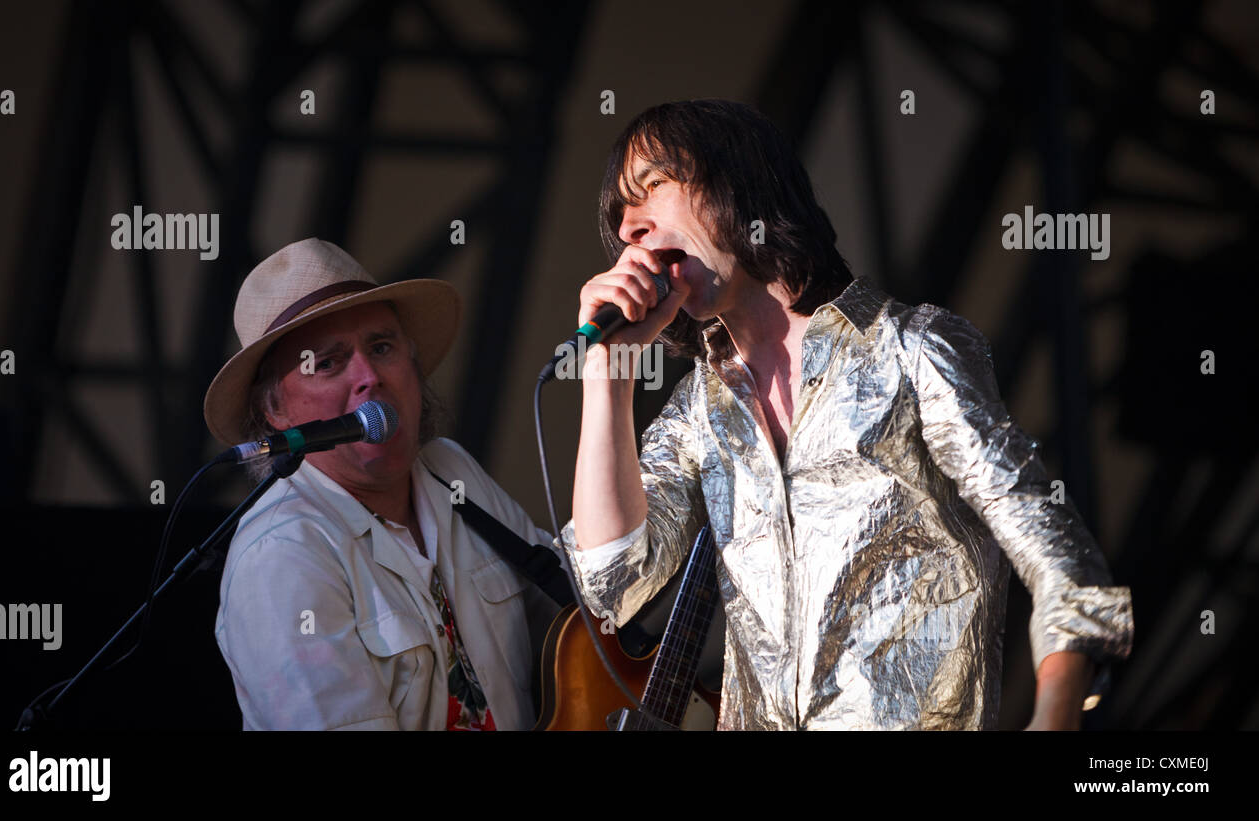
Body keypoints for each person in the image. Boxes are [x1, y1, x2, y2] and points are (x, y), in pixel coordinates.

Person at [562, 99, 1133, 730]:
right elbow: (613, 583)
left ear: (739, 183)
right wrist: (607, 373)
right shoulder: (700, 408)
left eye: (652, 189)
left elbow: (1057, 553)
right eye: (620, 216)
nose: (629, 229)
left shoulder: (910, 350)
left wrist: (1053, 718)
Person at [204, 238, 560, 730]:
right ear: (276, 412)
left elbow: (577, 622)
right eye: (327, 363)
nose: (369, 376)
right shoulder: (282, 554)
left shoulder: (450, 470)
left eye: (382, 347)